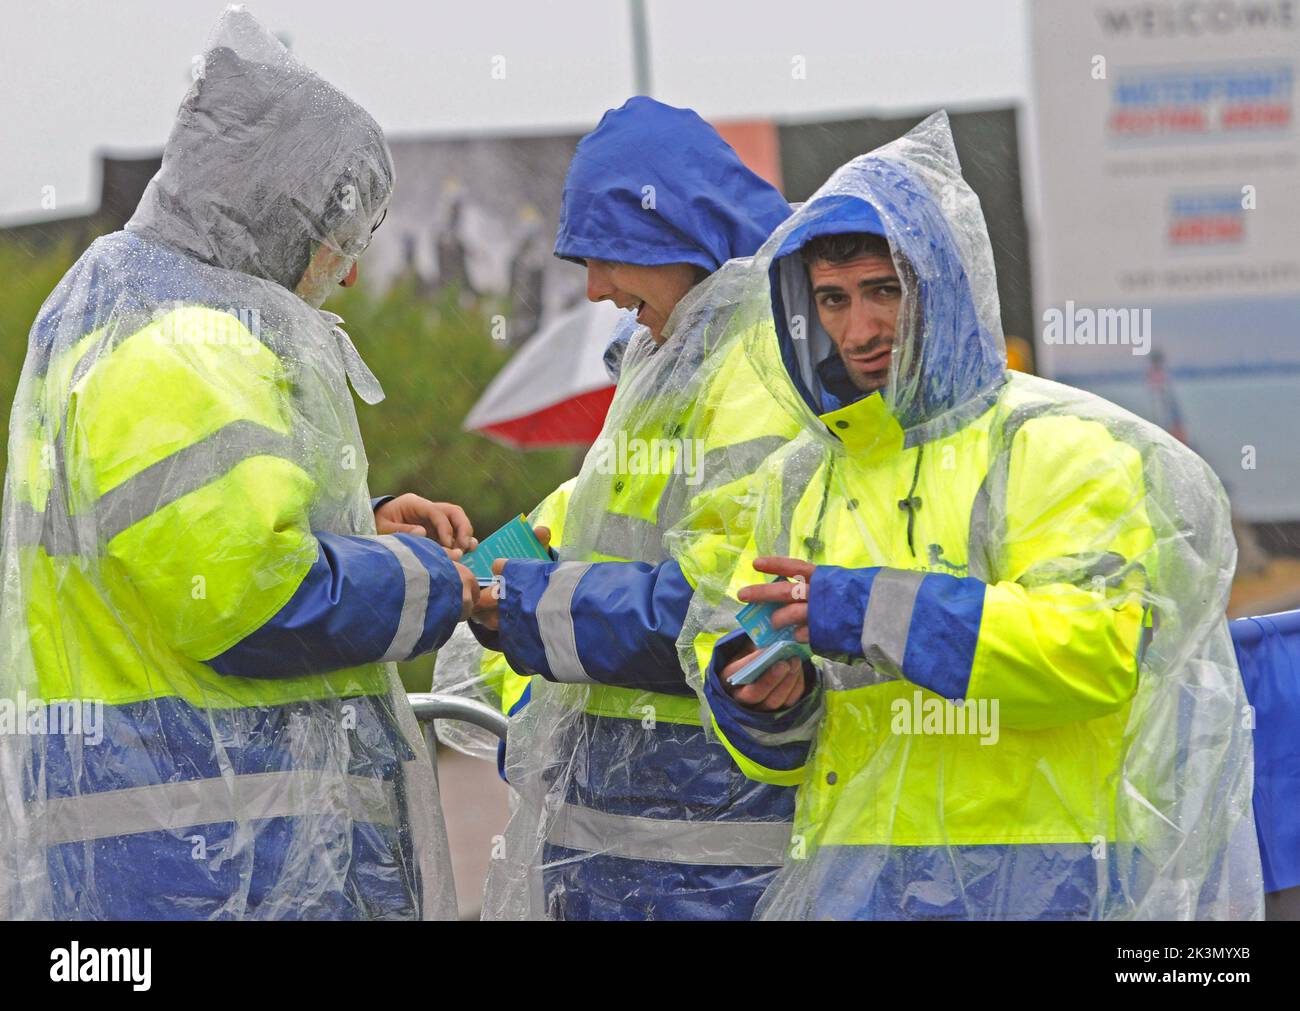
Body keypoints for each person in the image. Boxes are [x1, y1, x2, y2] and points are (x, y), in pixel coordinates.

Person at [677, 112, 1263, 919]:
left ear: (941, 287)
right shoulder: (799, 480)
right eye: (833, 299)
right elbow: (788, 736)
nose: (861, 328)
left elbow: (1092, 652)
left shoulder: (1058, 447)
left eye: (886, 290)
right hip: (853, 880)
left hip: (1042, 882)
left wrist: (863, 608)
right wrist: (765, 700)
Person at [0, 8, 478, 920]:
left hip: (159, 842)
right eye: (345, 234)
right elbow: (251, 599)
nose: (342, 271)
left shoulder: (132, 320)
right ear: (283, 210)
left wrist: (354, 526)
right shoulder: (189, 344)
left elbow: (180, 548)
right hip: (210, 858)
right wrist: (426, 579)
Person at [458, 97, 802, 920]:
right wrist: (479, 568)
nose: (595, 287)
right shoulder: (670, 363)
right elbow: (583, 517)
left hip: (713, 861)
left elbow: (726, 608)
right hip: (626, 852)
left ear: (682, 234)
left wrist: (525, 600)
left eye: (612, 255)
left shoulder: (759, 374)